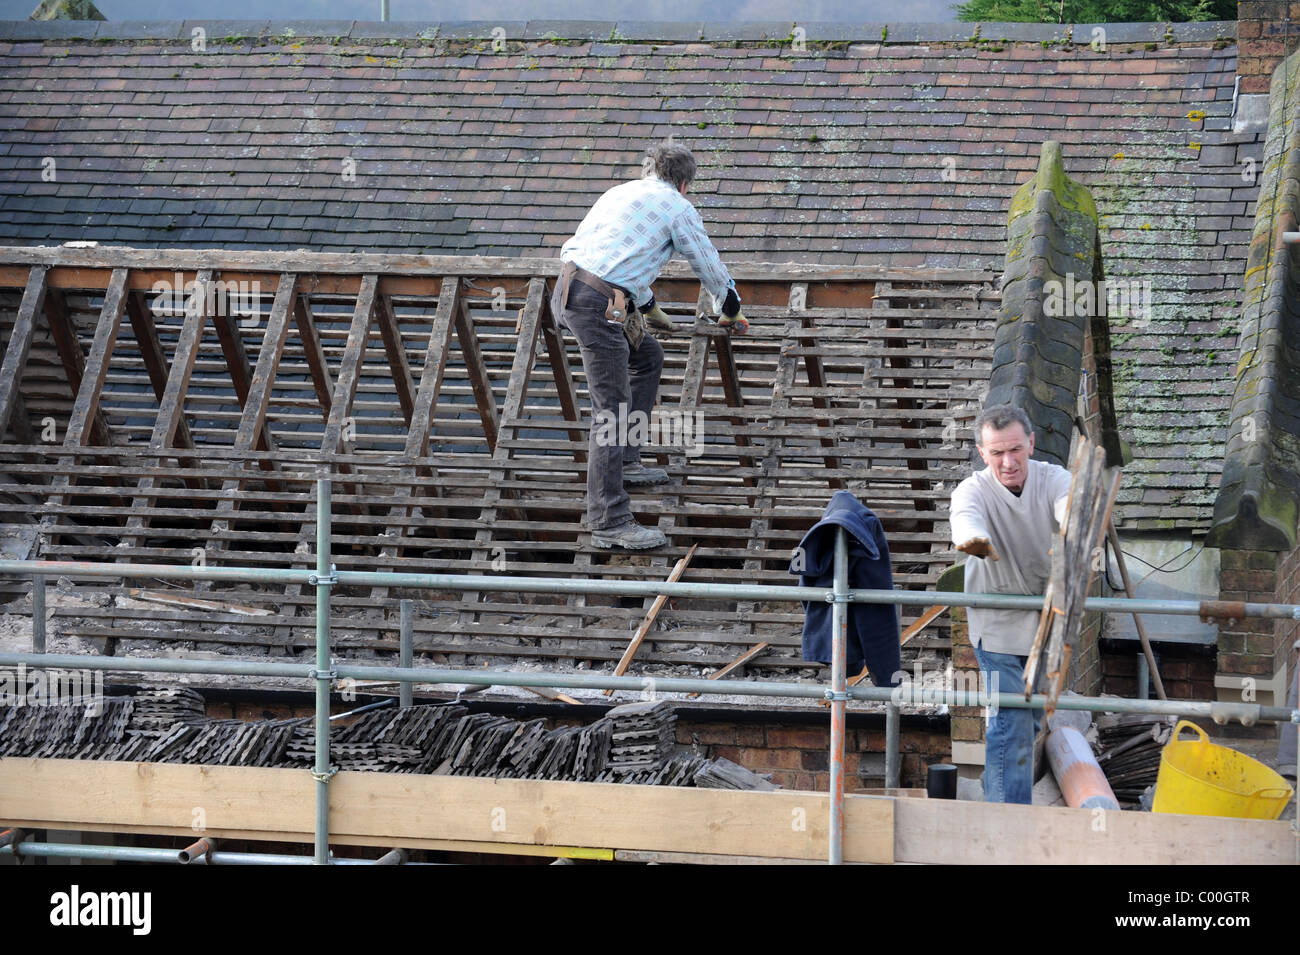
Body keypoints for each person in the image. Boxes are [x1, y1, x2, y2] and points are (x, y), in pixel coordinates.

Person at [551, 139, 747, 550]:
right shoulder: (678, 207)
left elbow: (618, 259)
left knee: (647, 356)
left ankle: (626, 460)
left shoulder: (620, 192)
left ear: (649, 170)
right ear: (685, 183)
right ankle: (609, 520)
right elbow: (708, 265)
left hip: (569, 290)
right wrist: (729, 309)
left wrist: (652, 311)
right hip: (598, 305)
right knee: (612, 412)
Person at [949, 404, 1073, 804]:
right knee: (1012, 719)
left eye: (1015, 450)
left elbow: (1069, 504)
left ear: (1032, 444)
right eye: (997, 453)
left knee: (1033, 716)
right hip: (997, 622)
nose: (1008, 462)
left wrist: (1075, 520)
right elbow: (966, 520)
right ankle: (1007, 820)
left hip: (1045, 620)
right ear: (983, 454)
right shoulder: (973, 489)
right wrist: (973, 538)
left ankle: (995, 789)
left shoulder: (1054, 478)